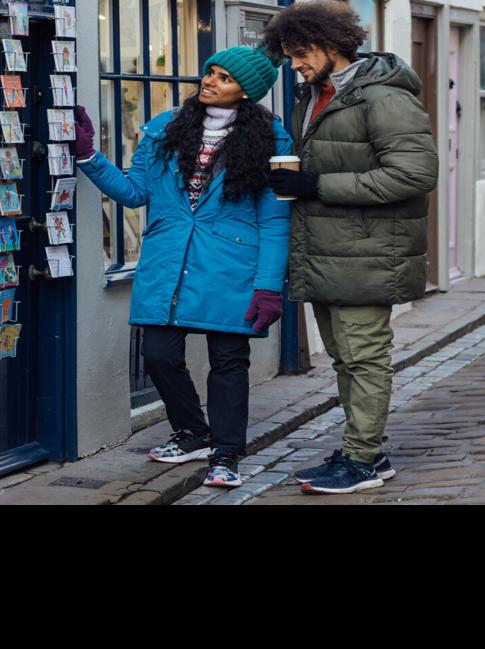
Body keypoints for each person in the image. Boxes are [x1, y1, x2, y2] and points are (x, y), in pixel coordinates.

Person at [73, 46, 289, 488]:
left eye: (225, 78)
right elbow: (135, 192)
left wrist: (269, 285)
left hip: (232, 267)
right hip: (168, 260)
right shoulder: (165, 129)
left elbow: (274, 219)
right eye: (211, 71)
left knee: (228, 363)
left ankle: (226, 454)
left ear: (246, 92)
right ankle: (193, 433)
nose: (210, 80)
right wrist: (89, 157)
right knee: (158, 355)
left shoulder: (271, 140)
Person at [261, 0, 437, 495]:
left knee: (364, 357)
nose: (294, 65)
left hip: (369, 253)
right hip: (326, 251)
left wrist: (318, 185)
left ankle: (361, 461)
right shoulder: (312, 96)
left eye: (300, 53)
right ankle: (367, 452)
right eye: (288, 55)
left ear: (330, 43)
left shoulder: (384, 98)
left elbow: (415, 174)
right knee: (345, 358)